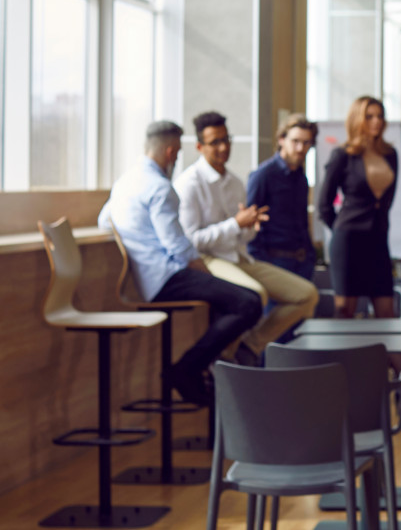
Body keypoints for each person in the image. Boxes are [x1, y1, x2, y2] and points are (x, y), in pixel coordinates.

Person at [99, 120, 262, 406]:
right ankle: (188, 370)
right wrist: (205, 272)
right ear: (171, 152)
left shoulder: (125, 181)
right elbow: (177, 246)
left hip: (145, 279)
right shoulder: (161, 188)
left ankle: (205, 371)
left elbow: (104, 221)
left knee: (232, 300)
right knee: (248, 303)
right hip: (166, 278)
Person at [174, 111, 319, 364]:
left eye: (226, 140)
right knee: (255, 295)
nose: (223, 147)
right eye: (215, 142)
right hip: (208, 259)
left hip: (238, 256)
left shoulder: (235, 182)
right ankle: (226, 360)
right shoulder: (189, 183)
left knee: (307, 295)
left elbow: (243, 236)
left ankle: (248, 347)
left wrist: (249, 225)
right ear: (199, 147)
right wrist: (235, 224)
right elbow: (190, 241)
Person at [319, 95, 401, 416]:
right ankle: (340, 391)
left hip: (378, 244)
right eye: (369, 116)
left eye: (380, 115)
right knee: (345, 314)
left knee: (387, 317)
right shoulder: (343, 155)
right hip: (348, 242)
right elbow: (325, 205)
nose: (377, 121)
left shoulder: (391, 154)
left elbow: (387, 203)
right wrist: (343, 231)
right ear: (357, 119)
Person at [247, 114, 319, 281]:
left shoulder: (301, 178)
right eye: (295, 141)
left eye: (306, 142)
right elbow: (250, 223)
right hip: (274, 260)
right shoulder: (263, 175)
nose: (300, 148)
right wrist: (262, 262)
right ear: (281, 140)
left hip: (302, 261)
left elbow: (302, 221)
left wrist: (310, 255)